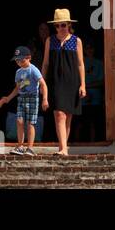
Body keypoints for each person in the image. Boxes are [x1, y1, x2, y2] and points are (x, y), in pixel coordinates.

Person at [43, 9, 86, 156]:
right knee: (59, 114)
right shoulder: (50, 40)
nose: (60, 28)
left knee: (67, 117)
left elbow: (80, 64)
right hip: (55, 81)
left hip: (72, 81)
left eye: (63, 25)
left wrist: (83, 85)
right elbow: (46, 64)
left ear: (68, 25)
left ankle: (63, 148)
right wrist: (42, 83)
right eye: (57, 26)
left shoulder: (76, 41)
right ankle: (63, 149)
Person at [0, 45, 47, 155]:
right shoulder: (18, 72)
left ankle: (30, 148)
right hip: (21, 99)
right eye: (17, 60)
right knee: (19, 121)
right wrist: (8, 98)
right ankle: (20, 146)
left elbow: (43, 84)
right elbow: (18, 88)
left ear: (29, 57)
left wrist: (45, 99)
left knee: (30, 123)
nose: (19, 62)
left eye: (21, 59)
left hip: (33, 99)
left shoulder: (33, 70)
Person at [80, 39, 105, 142]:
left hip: (96, 97)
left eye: (91, 48)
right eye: (87, 48)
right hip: (83, 98)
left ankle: (96, 142)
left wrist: (86, 86)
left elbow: (102, 81)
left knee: (95, 122)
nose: (89, 50)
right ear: (84, 50)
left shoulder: (99, 63)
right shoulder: (81, 62)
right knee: (82, 123)